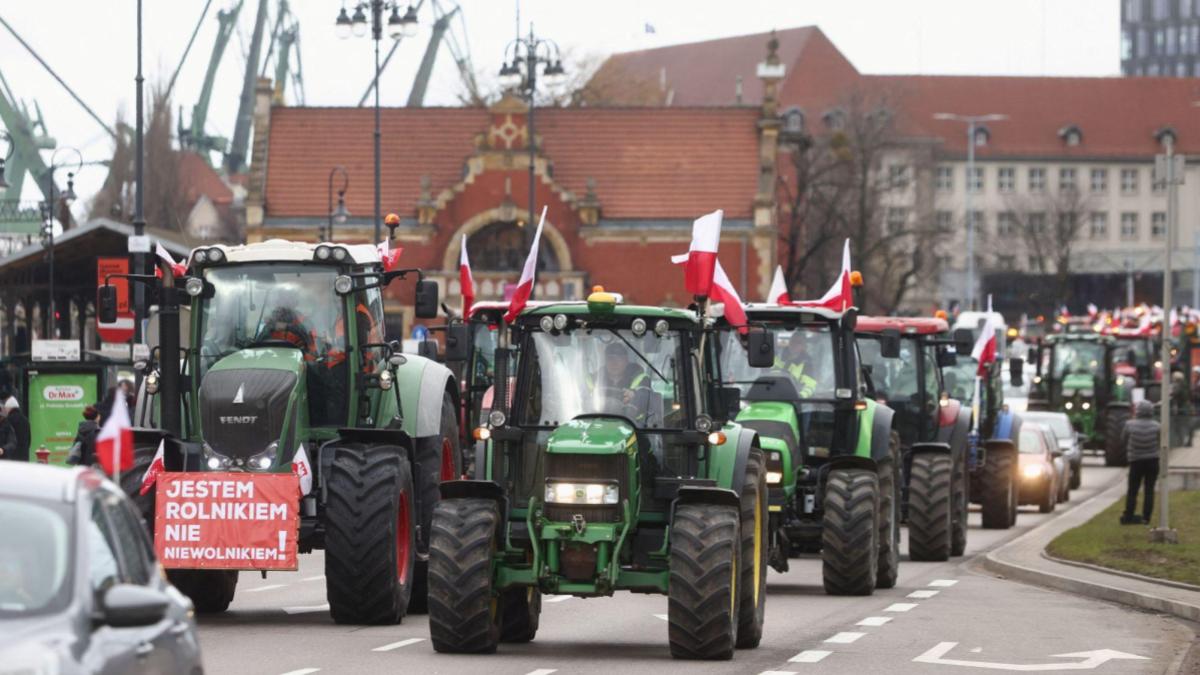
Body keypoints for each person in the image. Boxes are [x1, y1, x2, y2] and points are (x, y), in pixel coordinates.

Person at [1120, 400, 1161, 525]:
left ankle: (1129, 515)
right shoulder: (1157, 426)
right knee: (1149, 490)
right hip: (1153, 461)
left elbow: (1123, 439)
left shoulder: (1129, 425)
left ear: (1137, 411)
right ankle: (1146, 518)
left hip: (1135, 461)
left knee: (1133, 490)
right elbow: (1160, 441)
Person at [593, 342, 650, 418]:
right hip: (596, 422)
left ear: (626, 361)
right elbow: (579, 399)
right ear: (605, 361)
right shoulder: (593, 380)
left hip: (634, 424)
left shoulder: (641, 378)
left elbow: (647, 397)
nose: (614, 363)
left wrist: (634, 395)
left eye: (619, 359)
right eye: (610, 359)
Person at [776, 331, 820, 398]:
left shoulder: (808, 365)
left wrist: (800, 396)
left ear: (804, 346)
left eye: (798, 342)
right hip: (771, 394)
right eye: (792, 341)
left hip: (794, 399)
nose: (794, 344)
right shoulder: (777, 358)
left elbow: (810, 385)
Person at [1, 397, 28, 463]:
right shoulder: (25, 420)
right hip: (24, 454)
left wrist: (4, 450)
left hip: (11, 457)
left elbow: (11, 441)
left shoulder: (8, 421)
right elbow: (29, 439)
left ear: (8, 408)